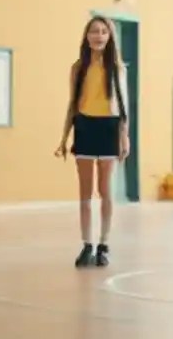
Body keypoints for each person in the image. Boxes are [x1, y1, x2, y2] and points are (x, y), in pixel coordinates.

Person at [55, 16, 129, 268]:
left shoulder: (118, 68)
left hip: (109, 127)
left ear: (110, 37)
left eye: (103, 32)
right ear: (86, 37)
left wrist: (124, 136)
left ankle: (104, 244)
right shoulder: (78, 68)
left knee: (105, 190)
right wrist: (64, 137)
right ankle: (87, 244)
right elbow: (72, 103)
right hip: (85, 127)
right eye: (94, 32)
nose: (98, 36)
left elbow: (123, 105)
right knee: (85, 193)